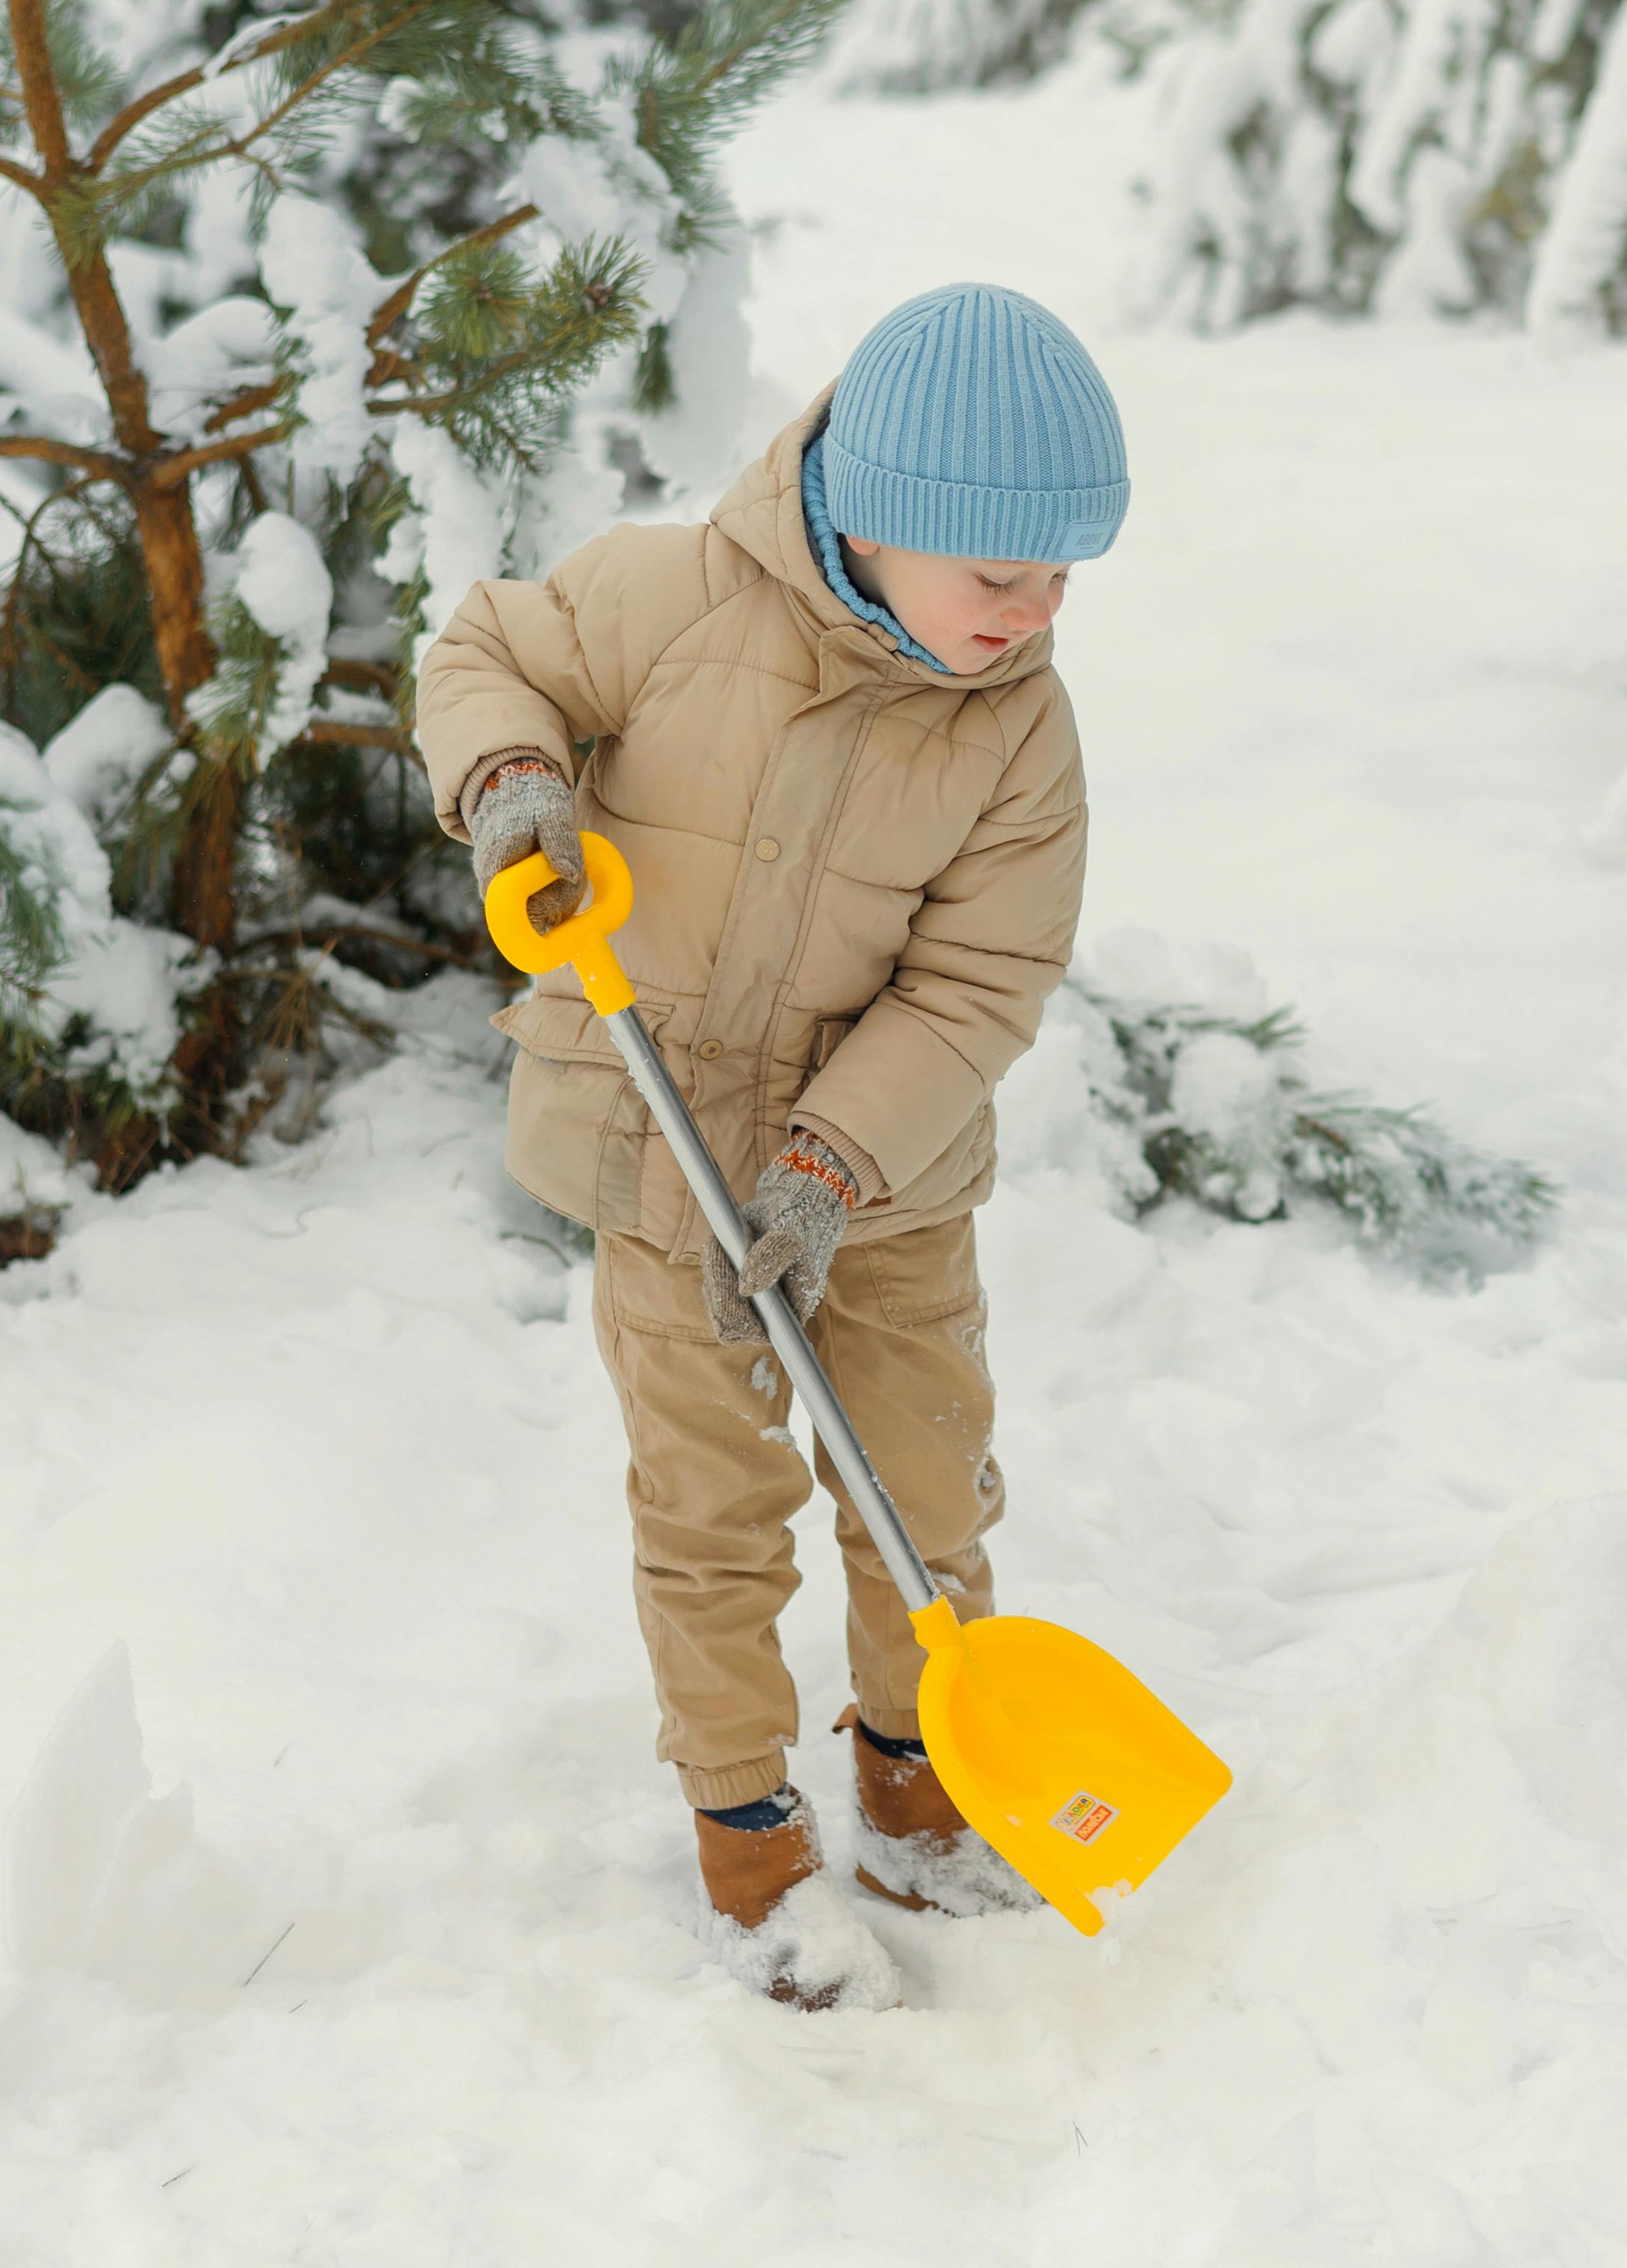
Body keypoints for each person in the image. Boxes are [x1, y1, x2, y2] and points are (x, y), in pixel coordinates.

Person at [412, 281, 1124, 2008]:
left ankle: (915, 1779)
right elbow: (480, 648)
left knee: (922, 1490)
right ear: (880, 522)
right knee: (711, 1509)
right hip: (662, 1172)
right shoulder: (664, 599)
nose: (1034, 618)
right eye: (1000, 578)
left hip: (877, 1194)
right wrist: (515, 777)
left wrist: (828, 1166)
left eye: (1061, 581)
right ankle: (747, 1830)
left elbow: (977, 986)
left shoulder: (1018, 734)